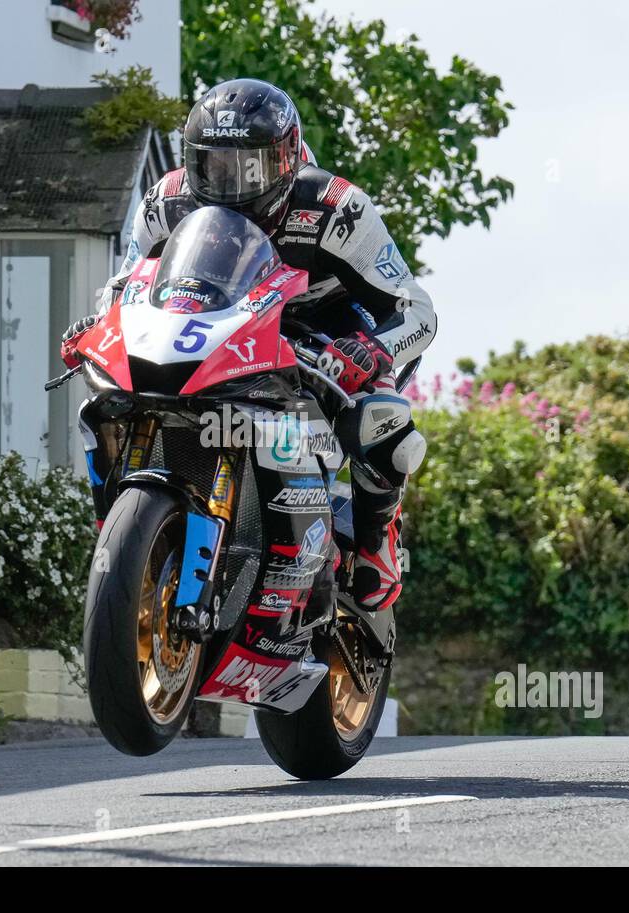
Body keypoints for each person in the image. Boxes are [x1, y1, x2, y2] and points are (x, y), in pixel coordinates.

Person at [63, 78, 437, 612]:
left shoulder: (334, 207)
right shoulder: (166, 201)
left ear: (285, 159)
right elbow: (124, 285)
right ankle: (120, 527)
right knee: (110, 396)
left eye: (247, 167)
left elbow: (415, 308)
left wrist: (371, 350)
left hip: (330, 329)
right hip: (226, 324)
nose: (229, 182)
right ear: (191, 161)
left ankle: (377, 538)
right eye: (212, 165)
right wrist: (100, 325)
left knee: (374, 414)